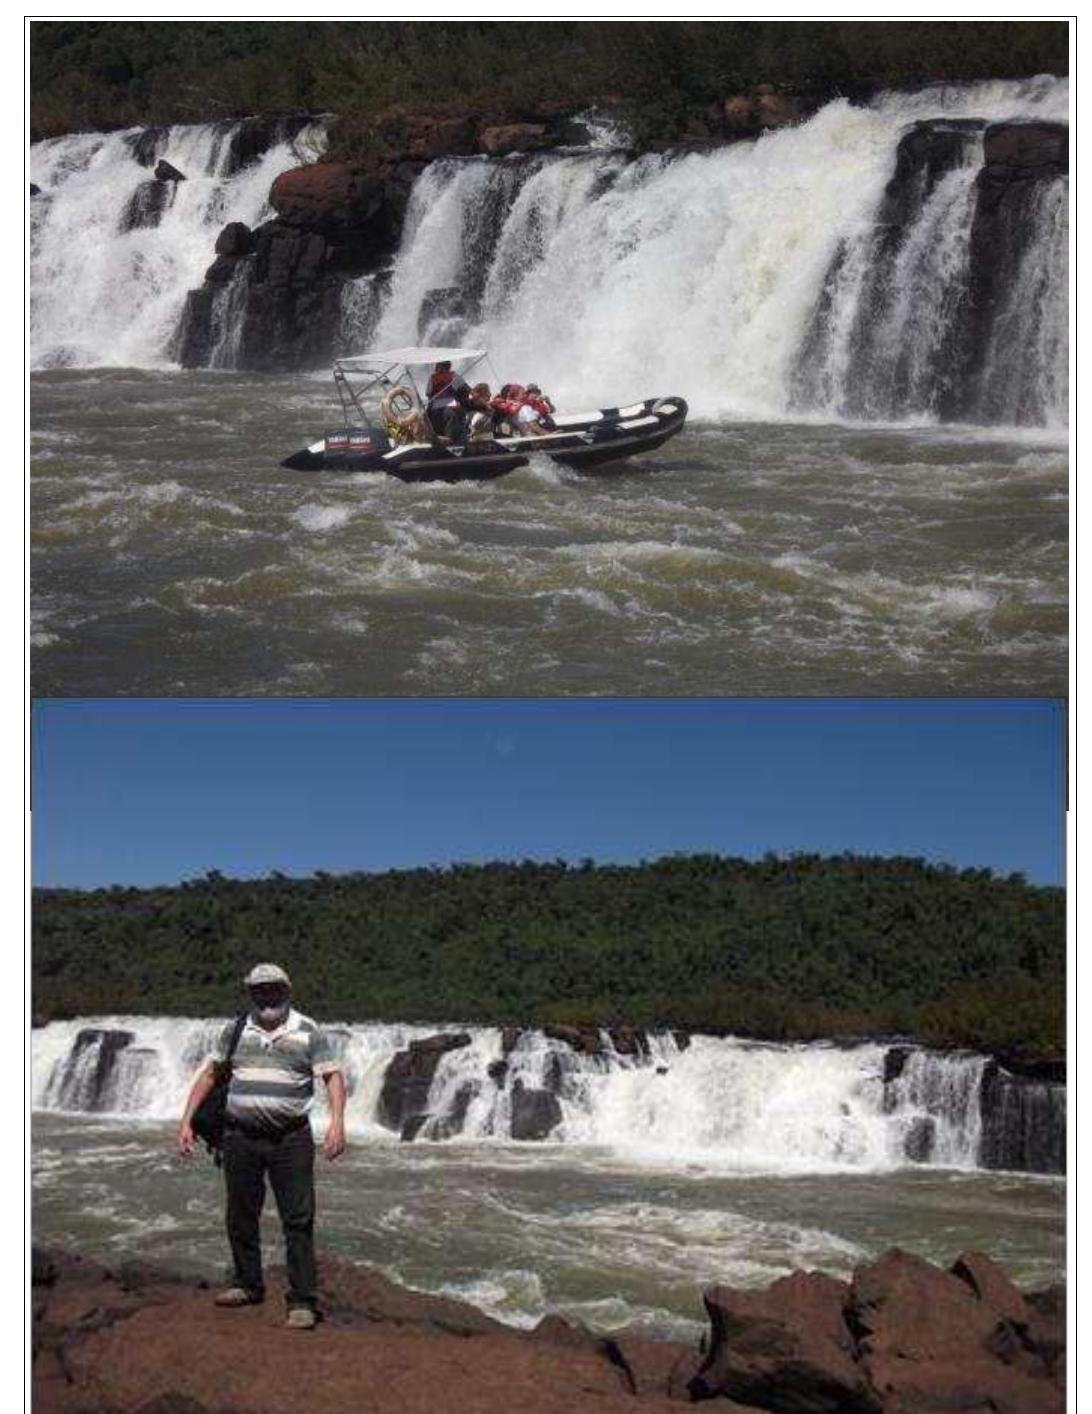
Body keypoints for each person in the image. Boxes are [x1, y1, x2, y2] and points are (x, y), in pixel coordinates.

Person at [177, 963, 346, 1329]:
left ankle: (302, 1300)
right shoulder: (236, 1030)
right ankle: (247, 1284)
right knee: (240, 1214)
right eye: (259, 990)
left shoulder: (308, 1030)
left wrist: (337, 1123)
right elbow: (211, 1074)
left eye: (273, 989)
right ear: (251, 993)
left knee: (298, 1219)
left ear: (286, 991)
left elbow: (332, 1076)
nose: (266, 996)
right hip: (239, 1136)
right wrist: (187, 1120)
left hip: (291, 1138)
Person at [425, 360, 491, 442]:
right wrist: (486, 405)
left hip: (435, 406)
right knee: (458, 412)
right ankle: (452, 439)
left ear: (440, 366)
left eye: (437, 365)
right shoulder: (453, 376)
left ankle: (440, 436)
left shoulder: (433, 378)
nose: (435, 367)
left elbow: (428, 394)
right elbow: (470, 391)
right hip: (450, 404)